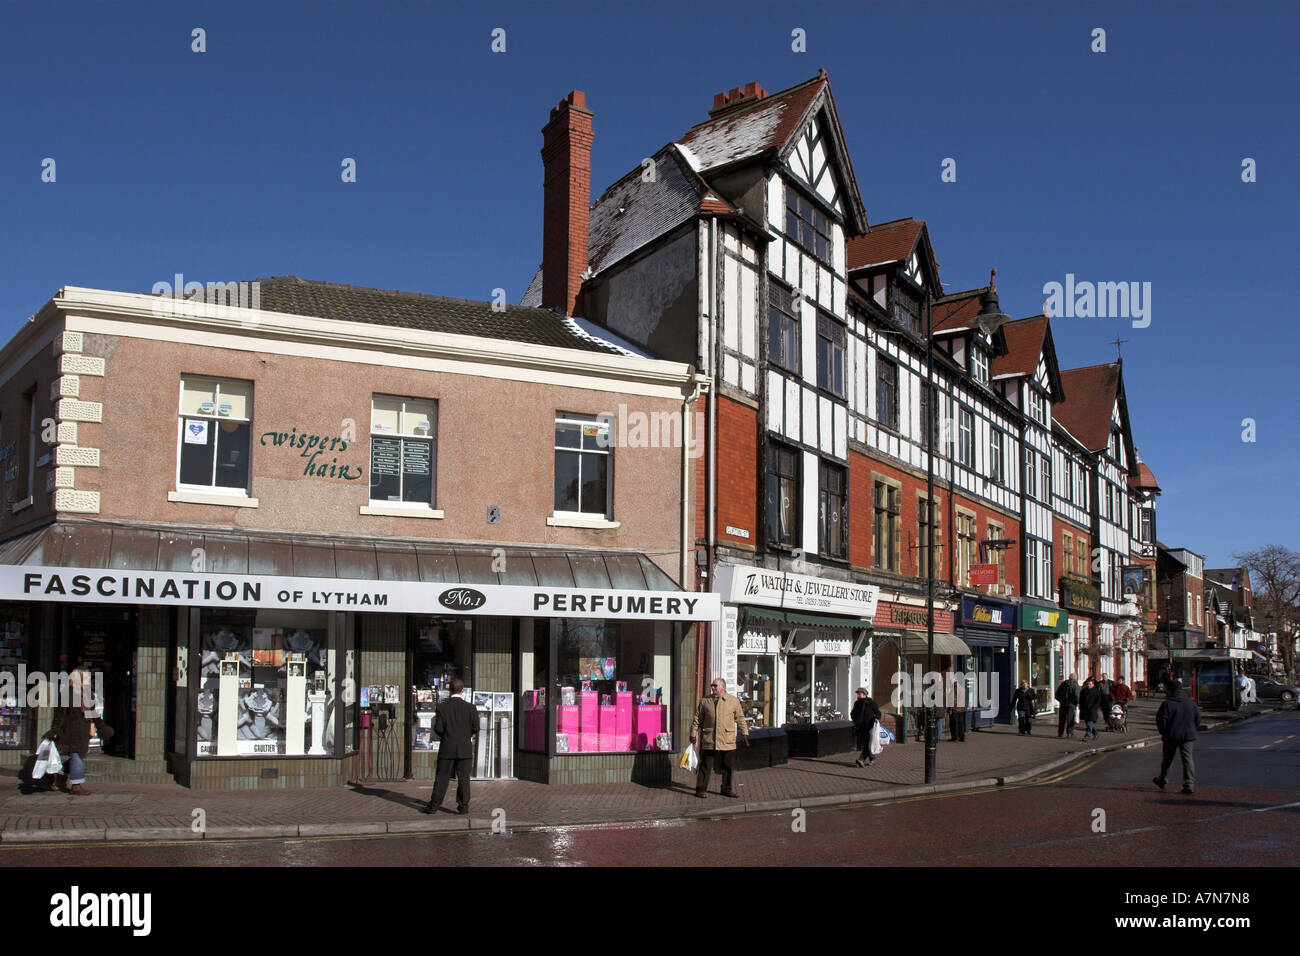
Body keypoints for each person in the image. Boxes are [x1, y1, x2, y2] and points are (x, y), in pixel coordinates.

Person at [43, 668, 108, 795]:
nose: (89, 679)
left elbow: (93, 713)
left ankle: (56, 773)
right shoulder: (66, 694)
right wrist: (55, 730)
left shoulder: (89, 694)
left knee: (78, 755)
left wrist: (101, 726)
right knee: (76, 755)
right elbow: (60, 715)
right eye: (87, 677)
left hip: (83, 730)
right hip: (70, 731)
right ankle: (76, 786)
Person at [423, 679, 478, 814]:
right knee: (464, 779)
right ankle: (463, 806)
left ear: (449, 691)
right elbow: (476, 727)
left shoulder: (442, 707)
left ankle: (434, 806)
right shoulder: (471, 707)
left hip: (448, 747)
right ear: (462, 690)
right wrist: (465, 736)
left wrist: (448, 736)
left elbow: (439, 728)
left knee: (442, 778)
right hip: (465, 748)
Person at [690, 677, 749, 798]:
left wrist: (745, 733)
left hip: (727, 739)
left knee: (728, 766)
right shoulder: (705, 701)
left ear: (723, 687)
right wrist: (693, 733)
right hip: (709, 739)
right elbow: (697, 719)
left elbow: (740, 718)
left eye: (715, 686)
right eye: (712, 685)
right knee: (705, 766)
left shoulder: (733, 701)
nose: (712, 687)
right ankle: (700, 789)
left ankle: (726, 789)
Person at [1153, 679, 1200, 795]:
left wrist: (1163, 732)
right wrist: (1193, 728)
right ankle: (1189, 784)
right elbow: (1198, 720)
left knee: (1167, 760)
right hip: (1188, 735)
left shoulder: (1167, 703)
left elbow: (1161, 720)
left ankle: (1163, 780)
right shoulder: (1191, 703)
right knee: (1187, 759)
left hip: (1171, 735)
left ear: (1169, 689)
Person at [850, 688, 882, 766]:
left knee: (866, 742)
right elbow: (853, 713)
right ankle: (872, 758)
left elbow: (878, 713)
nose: (858, 695)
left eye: (859, 694)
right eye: (857, 694)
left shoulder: (871, 703)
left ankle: (861, 759)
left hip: (869, 726)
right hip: (860, 726)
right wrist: (854, 719)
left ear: (864, 694)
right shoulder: (857, 703)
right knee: (866, 743)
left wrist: (877, 718)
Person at [1055, 673, 1080, 738]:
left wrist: (1060, 700)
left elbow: (1057, 694)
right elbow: (1077, 695)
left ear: (1069, 677)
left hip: (1063, 704)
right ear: (1075, 678)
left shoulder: (1063, 683)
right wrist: (1077, 702)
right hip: (1071, 704)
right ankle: (1069, 733)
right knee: (1070, 719)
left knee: (1062, 719)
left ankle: (1060, 733)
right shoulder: (1075, 685)